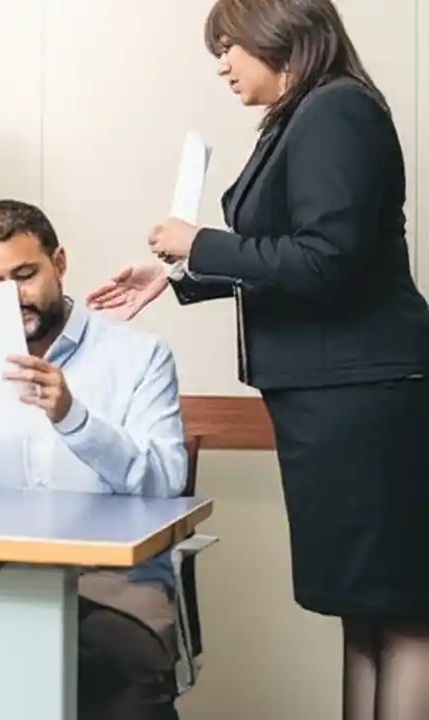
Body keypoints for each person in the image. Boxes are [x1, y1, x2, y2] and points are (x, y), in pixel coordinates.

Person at [86, 1, 429, 717]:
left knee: (398, 611)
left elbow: (326, 257)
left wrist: (199, 243)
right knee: (362, 608)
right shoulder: (310, 113)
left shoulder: (337, 111)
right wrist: (176, 273)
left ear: (281, 36)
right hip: (337, 401)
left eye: (230, 45)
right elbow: (295, 254)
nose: (221, 63)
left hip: (366, 401)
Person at [0, 200, 187, 720]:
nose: (13, 296)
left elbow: (167, 483)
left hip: (111, 581)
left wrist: (73, 416)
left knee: (120, 669)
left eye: (25, 274)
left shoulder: (139, 356)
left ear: (59, 264)